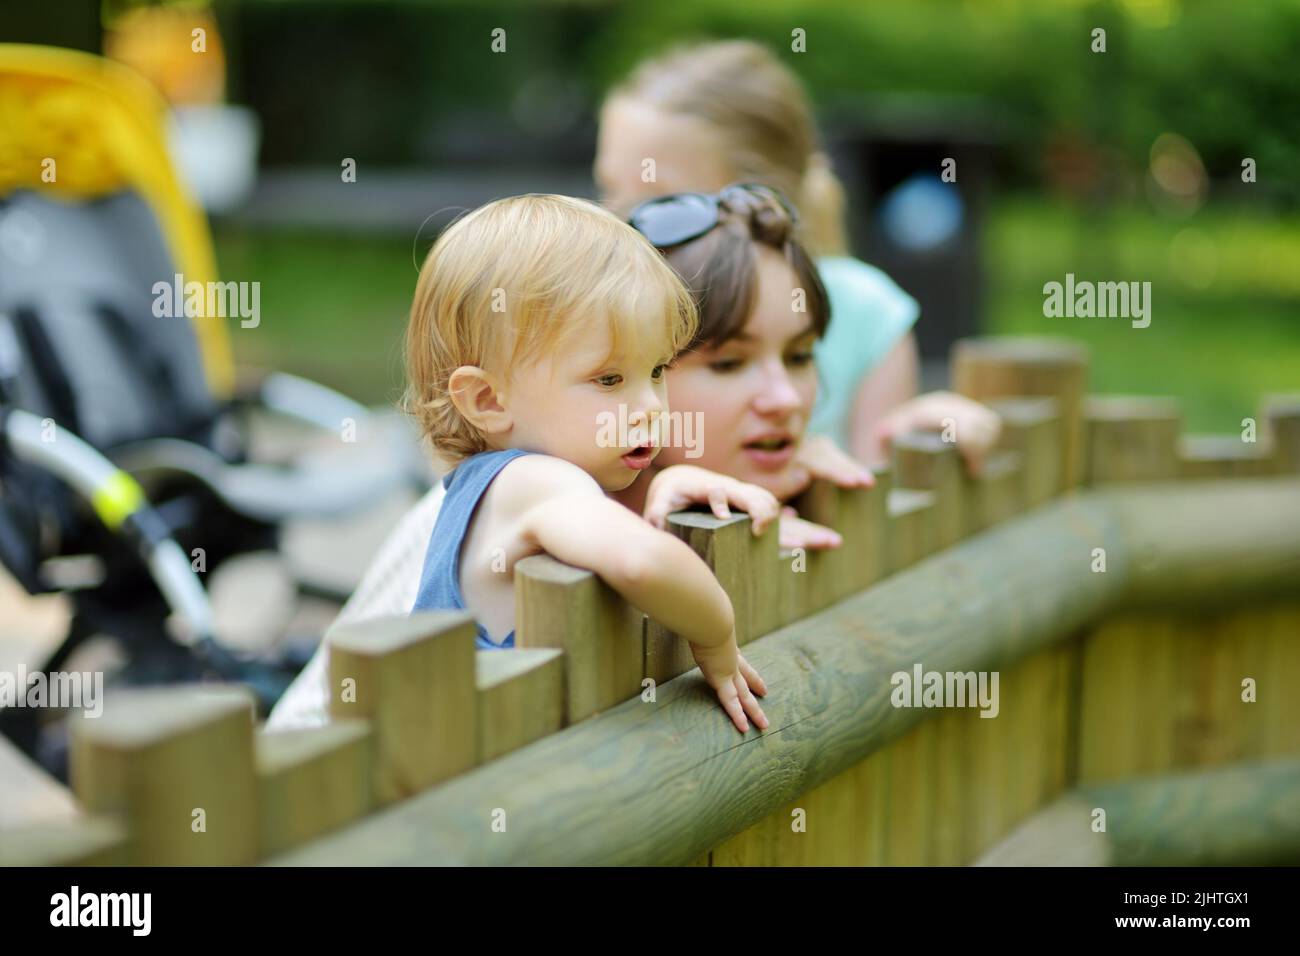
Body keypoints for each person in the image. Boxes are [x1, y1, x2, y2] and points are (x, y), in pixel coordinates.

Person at [594, 39, 1000, 473]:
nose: (620, 225)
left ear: (763, 201)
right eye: (609, 191)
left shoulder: (865, 311)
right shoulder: (601, 312)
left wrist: (906, 435)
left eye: (660, 202)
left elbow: (871, 491)